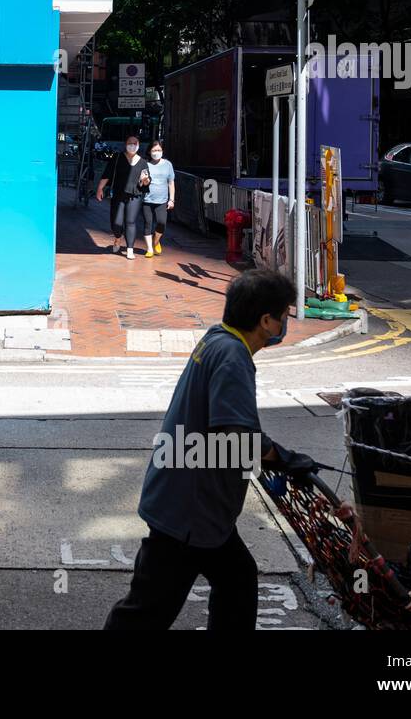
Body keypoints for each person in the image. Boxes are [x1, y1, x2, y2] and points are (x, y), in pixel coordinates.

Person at [103, 269, 317, 630]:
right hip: (190, 511)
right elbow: (238, 438)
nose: (284, 324)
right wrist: (285, 459)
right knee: (146, 613)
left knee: (237, 581)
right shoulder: (233, 357)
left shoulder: (217, 338)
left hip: (190, 502)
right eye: (283, 317)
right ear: (266, 320)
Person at [96, 136, 152, 259]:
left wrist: (145, 180)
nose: (132, 145)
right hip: (118, 194)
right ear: (125, 144)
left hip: (135, 195)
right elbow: (107, 174)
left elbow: (146, 181)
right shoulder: (117, 158)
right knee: (117, 222)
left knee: (130, 222)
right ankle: (117, 237)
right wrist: (100, 188)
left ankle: (130, 249)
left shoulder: (143, 162)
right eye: (130, 143)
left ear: (138, 145)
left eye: (135, 143)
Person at [142, 141, 175, 258]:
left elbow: (171, 183)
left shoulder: (168, 165)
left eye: (159, 150)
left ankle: (155, 242)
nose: (156, 153)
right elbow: (141, 181)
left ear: (162, 151)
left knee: (161, 223)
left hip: (162, 200)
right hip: (147, 200)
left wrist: (172, 200)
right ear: (149, 152)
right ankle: (150, 249)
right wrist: (144, 180)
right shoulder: (145, 164)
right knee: (148, 224)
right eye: (154, 150)